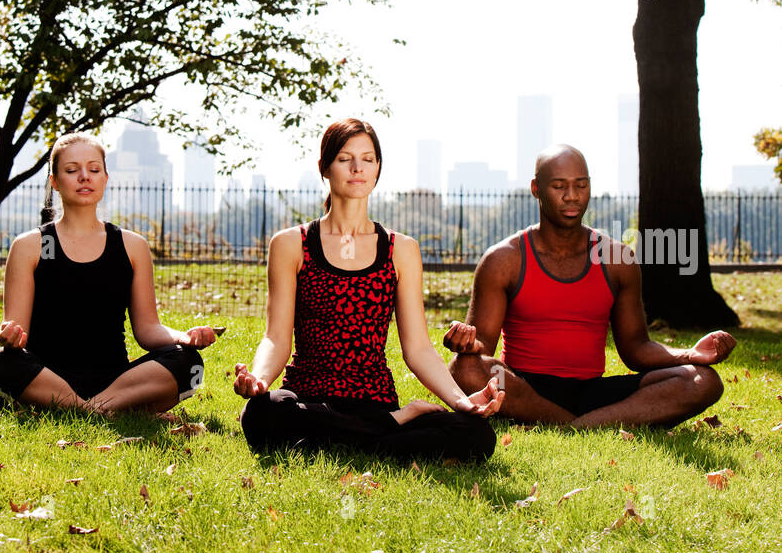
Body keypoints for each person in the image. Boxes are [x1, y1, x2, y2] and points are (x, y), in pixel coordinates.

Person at [235, 118, 504, 462]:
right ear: (325, 168)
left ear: (378, 168)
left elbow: (418, 348)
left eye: (368, 159)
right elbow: (276, 338)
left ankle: (357, 434)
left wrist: (460, 400)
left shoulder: (400, 249)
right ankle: (397, 425)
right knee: (262, 413)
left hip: (373, 400)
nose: (358, 168)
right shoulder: (291, 244)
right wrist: (258, 380)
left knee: (478, 436)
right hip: (308, 396)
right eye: (345, 159)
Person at [444, 144, 735, 428]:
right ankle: (582, 425)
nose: (572, 196)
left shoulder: (618, 260)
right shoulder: (504, 260)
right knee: (464, 367)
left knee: (703, 380)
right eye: (559, 186)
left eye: (581, 185)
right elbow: (481, 350)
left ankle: (575, 425)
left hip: (594, 392)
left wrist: (689, 355)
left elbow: (636, 348)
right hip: (522, 385)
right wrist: (465, 342)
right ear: (536, 189)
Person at [0, 133, 216, 415]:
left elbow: (147, 330)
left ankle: (88, 408)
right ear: (55, 182)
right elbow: (17, 331)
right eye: (72, 170)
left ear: (105, 178)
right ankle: (98, 409)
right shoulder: (32, 246)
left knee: (190, 364)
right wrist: (9, 336)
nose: (85, 177)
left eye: (94, 170)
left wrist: (184, 338)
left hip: (114, 380)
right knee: (0, 363)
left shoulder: (131, 246)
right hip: (46, 377)